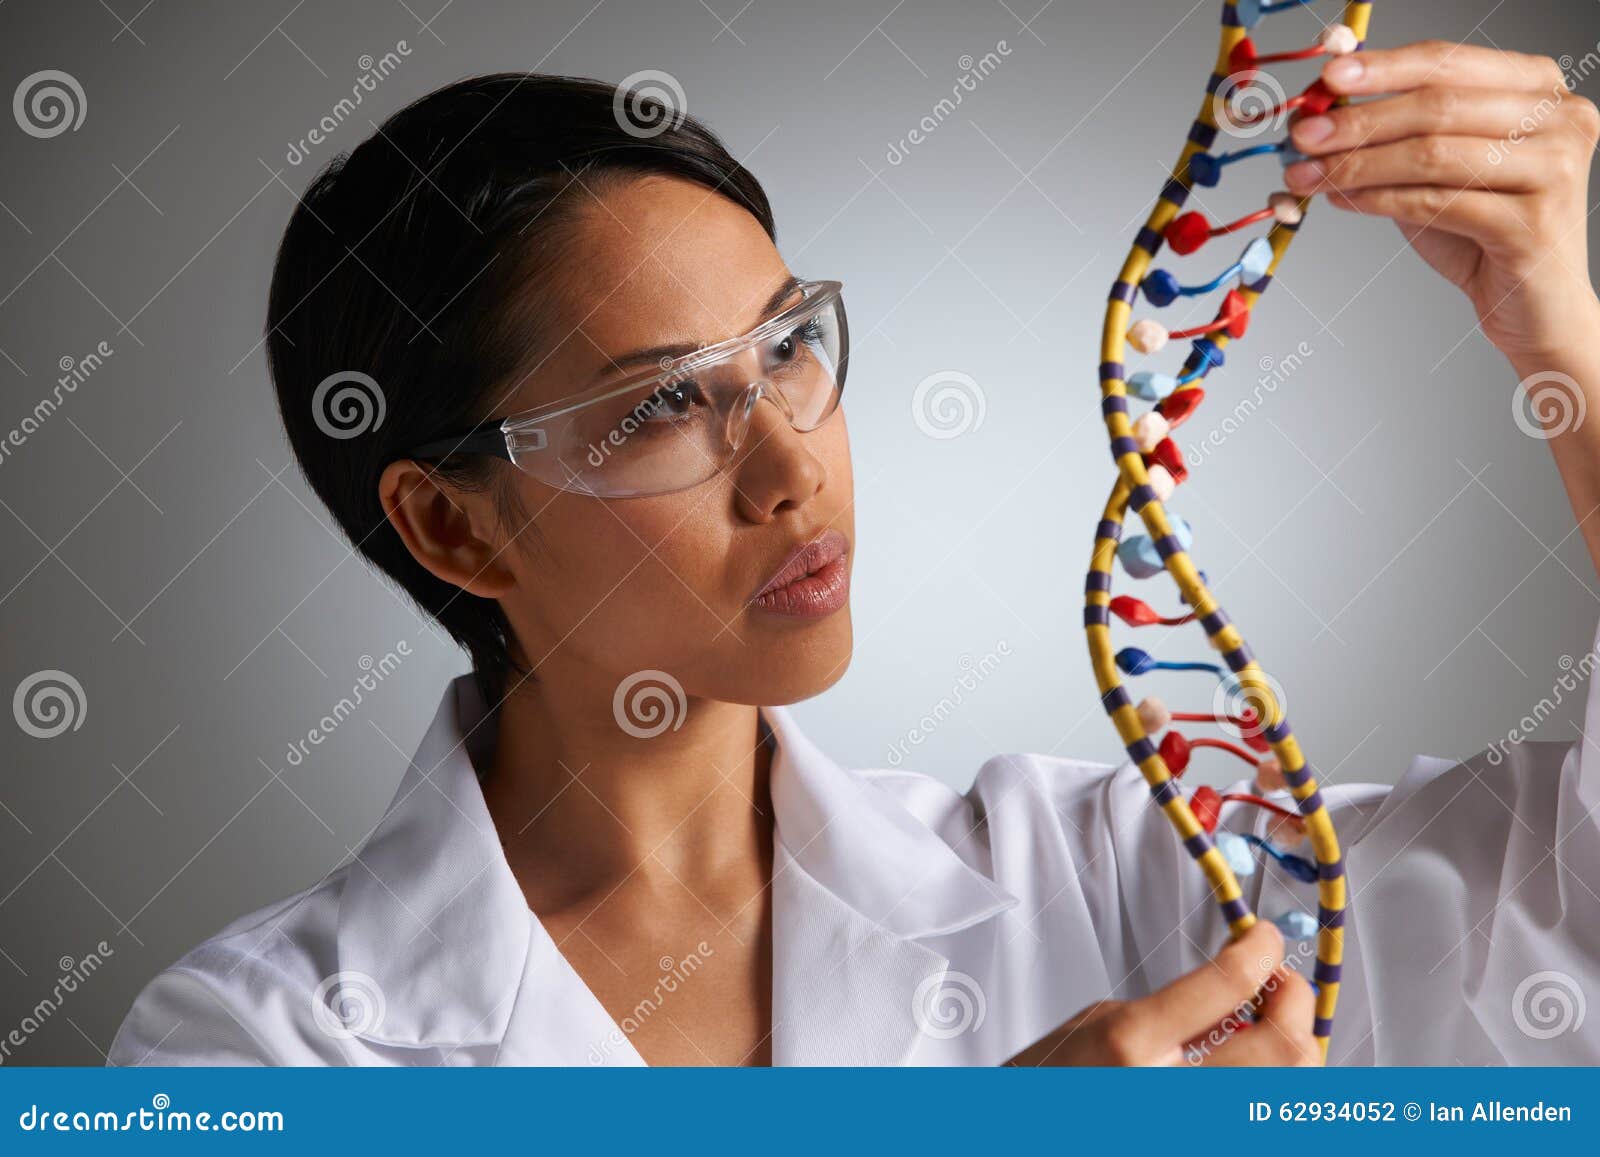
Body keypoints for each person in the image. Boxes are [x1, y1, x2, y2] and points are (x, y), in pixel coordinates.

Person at [109, 42, 1600, 1067]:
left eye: (789, 347)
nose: (791, 463)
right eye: (659, 406)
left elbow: (1563, 913)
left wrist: (1564, 341)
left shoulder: (1114, 879)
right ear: (453, 523)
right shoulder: (264, 1041)